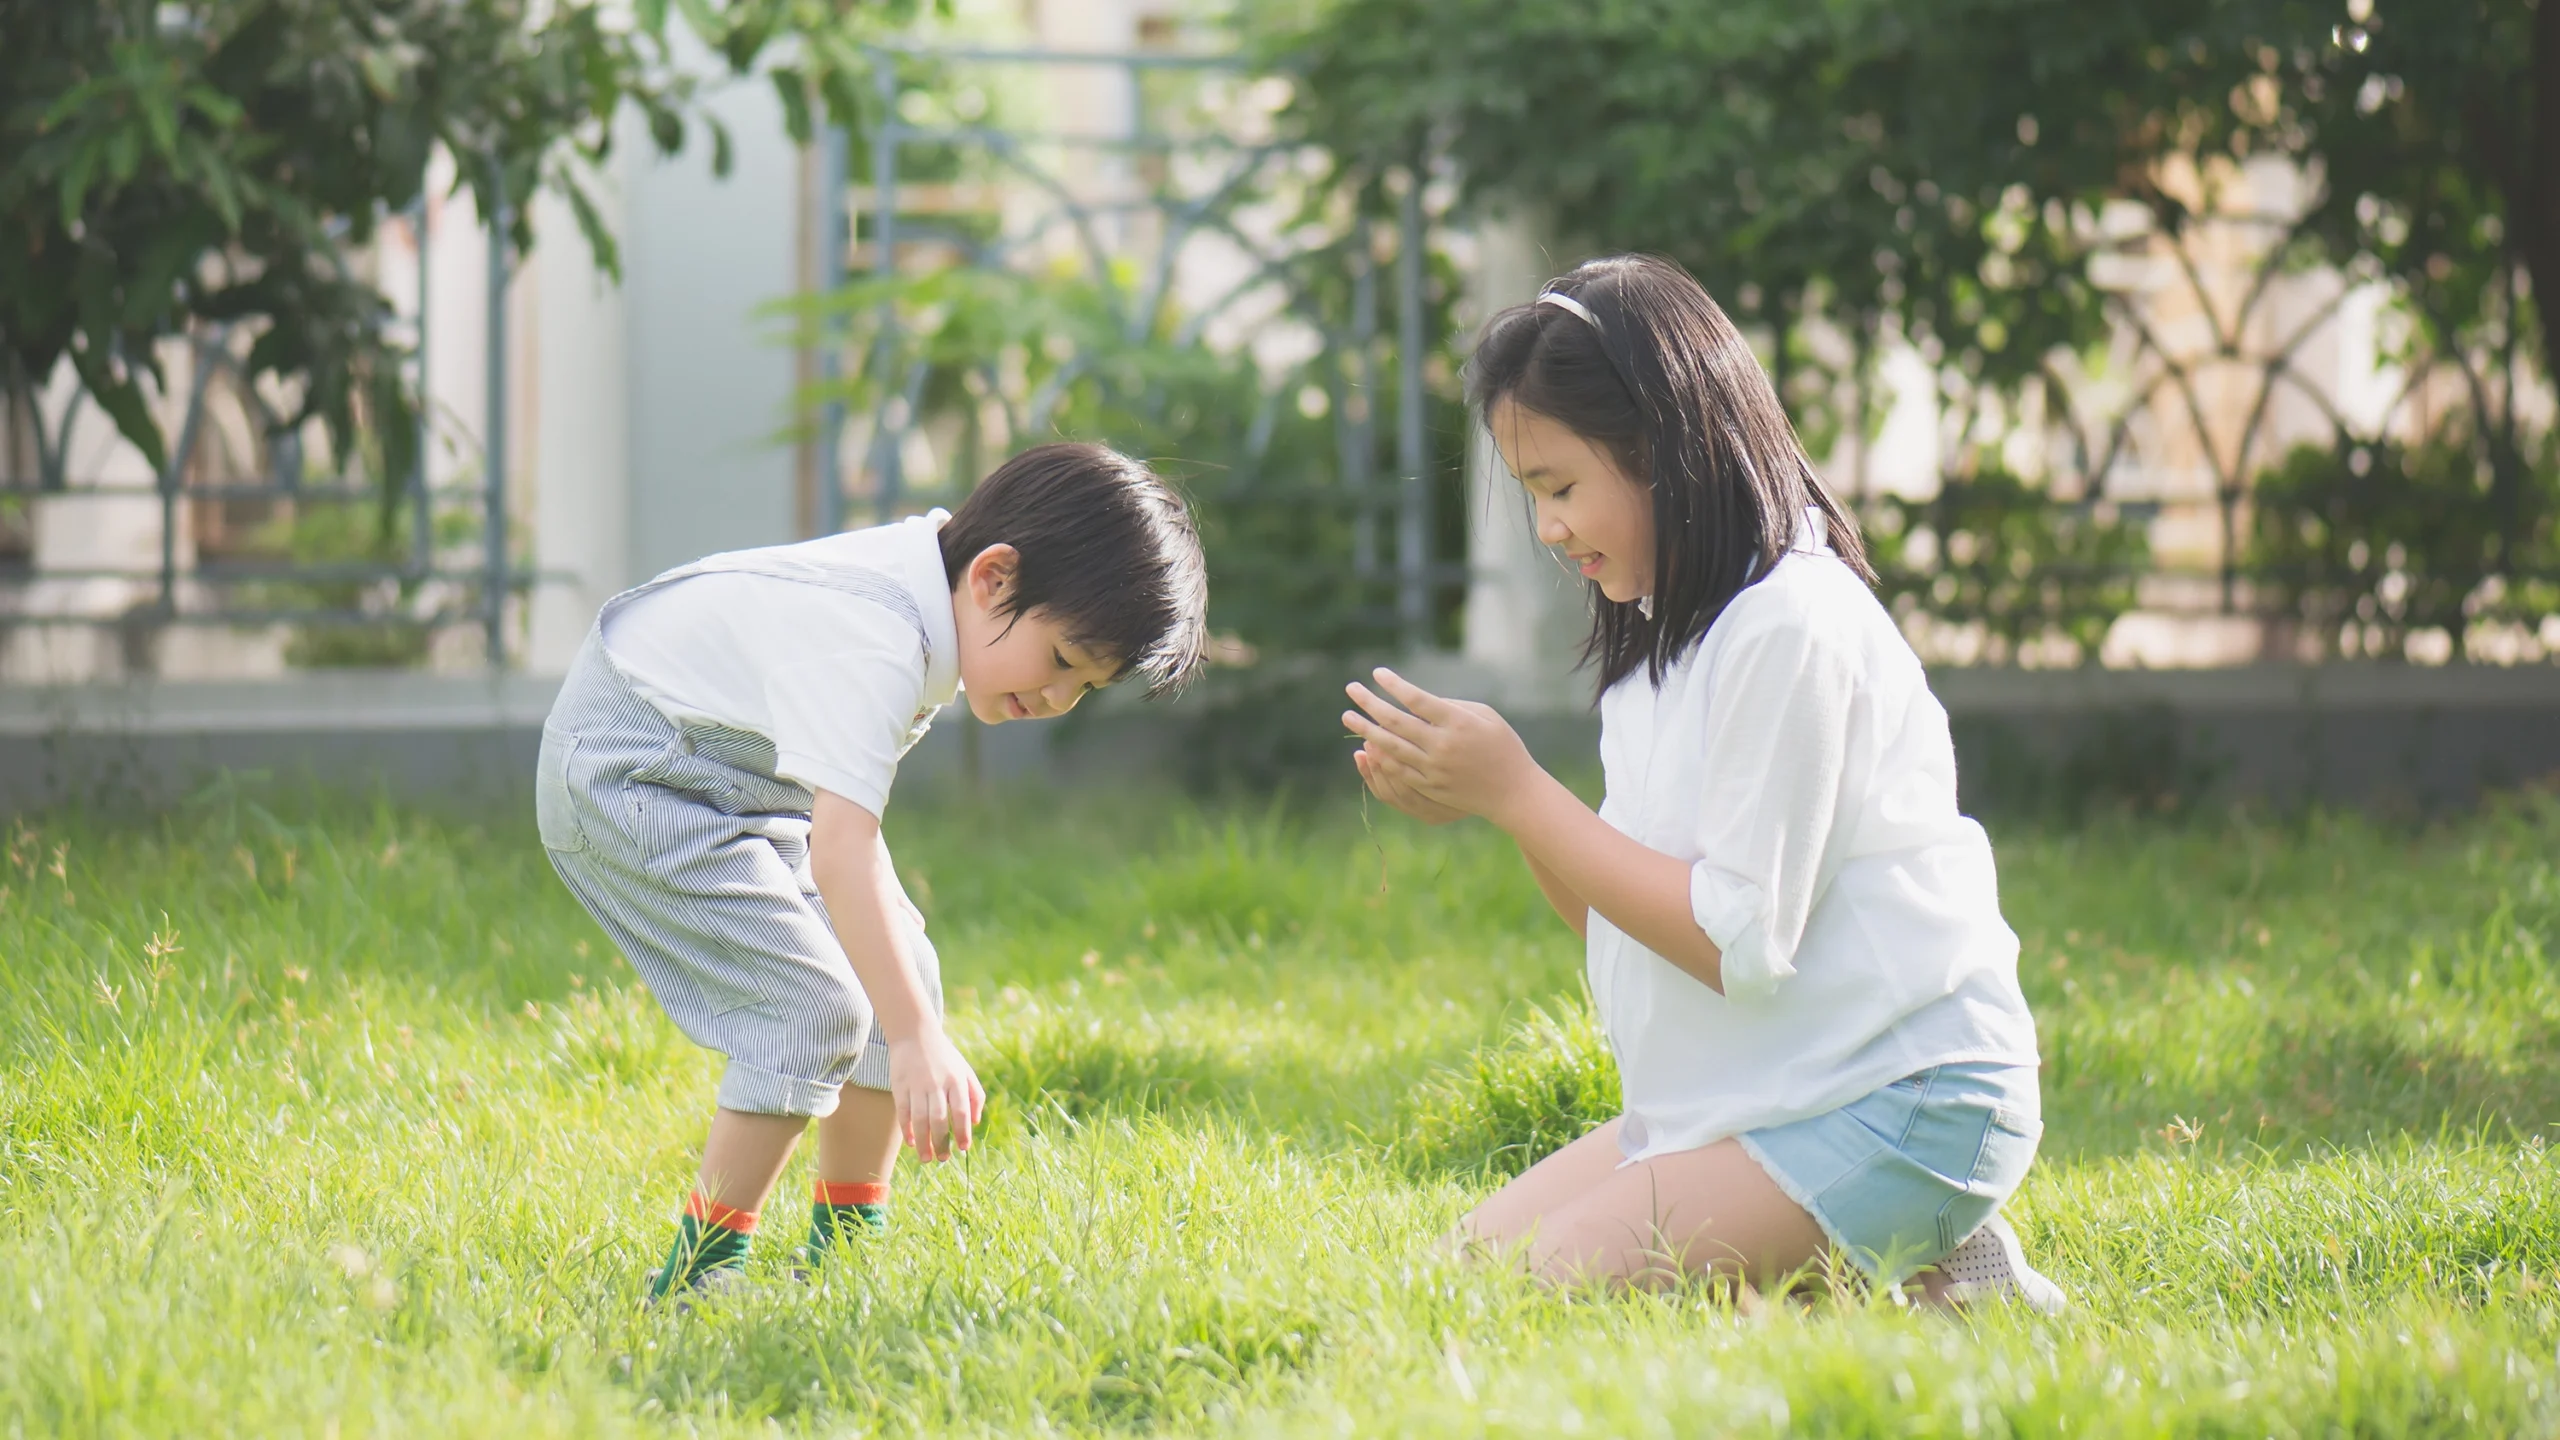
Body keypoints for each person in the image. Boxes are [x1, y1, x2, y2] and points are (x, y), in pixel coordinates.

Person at [1343, 255, 2063, 1309]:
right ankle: (1922, 1276)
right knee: (1454, 1278)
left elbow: (1736, 944)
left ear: (1663, 452)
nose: (1547, 528)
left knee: (1519, 1302)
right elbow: (1622, 926)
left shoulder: (1790, 627)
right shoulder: (1661, 645)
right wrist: (1500, 810)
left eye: (1559, 487)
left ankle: (1920, 1237)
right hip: (1766, 1089)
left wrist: (1517, 793)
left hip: (1898, 1096)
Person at [535, 442, 1208, 1299]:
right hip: (633, 775)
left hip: (737, 787)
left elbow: (840, 822)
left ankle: (846, 1253)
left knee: (905, 977)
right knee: (813, 1008)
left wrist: (911, 1011)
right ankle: (699, 1279)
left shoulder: (934, 589)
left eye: (1086, 688)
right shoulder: (878, 636)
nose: (1057, 701)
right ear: (994, 579)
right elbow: (841, 845)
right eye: (1064, 663)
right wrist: (916, 1043)